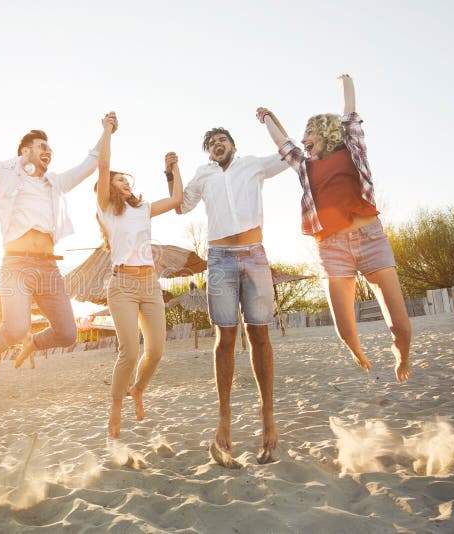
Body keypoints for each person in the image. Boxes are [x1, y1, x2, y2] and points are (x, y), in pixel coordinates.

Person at [256, 74, 411, 383]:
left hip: (371, 240)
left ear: (326, 134)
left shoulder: (351, 149)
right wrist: (267, 118)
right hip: (332, 248)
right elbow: (283, 143)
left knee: (401, 327)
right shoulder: (304, 165)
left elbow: (350, 116)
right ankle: (356, 350)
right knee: (345, 330)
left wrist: (347, 84)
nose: (303, 138)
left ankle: (402, 354)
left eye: (310, 132)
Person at [0, 110, 117, 379]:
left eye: (50, 148)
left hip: (48, 267)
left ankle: (35, 342)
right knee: (16, 327)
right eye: (42, 146)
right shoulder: (0, 172)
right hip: (16, 264)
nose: (49, 151)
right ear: (25, 151)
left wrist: (107, 130)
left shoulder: (55, 183)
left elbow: (90, 163)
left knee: (67, 334)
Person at [171, 125, 288, 467]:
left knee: (260, 334)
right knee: (225, 337)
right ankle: (224, 417)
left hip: (254, 255)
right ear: (208, 153)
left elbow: (288, 154)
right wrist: (172, 171)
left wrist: (270, 122)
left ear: (233, 146)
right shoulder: (203, 174)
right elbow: (181, 206)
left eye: (222, 140)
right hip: (219, 259)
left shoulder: (252, 165)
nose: (217, 145)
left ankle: (267, 415)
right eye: (211, 143)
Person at [95, 114, 183, 438]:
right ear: (108, 188)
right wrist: (107, 130)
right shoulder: (106, 209)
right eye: (120, 181)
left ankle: (138, 389)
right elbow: (103, 168)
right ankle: (116, 407)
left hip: (149, 285)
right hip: (122, 286)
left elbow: (176, 199)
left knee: (156, 350)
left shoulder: (143, 208)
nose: (125, 183)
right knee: (129, 351)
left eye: (127, 180)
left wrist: (172, 169)